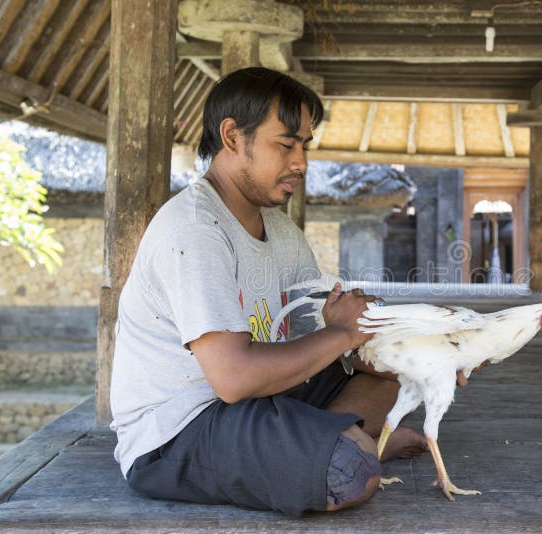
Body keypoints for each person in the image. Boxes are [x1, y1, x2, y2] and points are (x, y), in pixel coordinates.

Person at [109, 67, 427, 517]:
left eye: (304, 146)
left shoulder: (280, 230)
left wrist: (422, 355)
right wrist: (342, 334)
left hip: (262, 397)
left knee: (402, 375)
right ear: (233, 138)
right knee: (349, 475)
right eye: (286, 144)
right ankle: (351, 444)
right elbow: (234, 378)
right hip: (182, 429)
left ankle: (338, 439)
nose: (301, 162)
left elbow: (320, 337)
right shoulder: (195, 230)